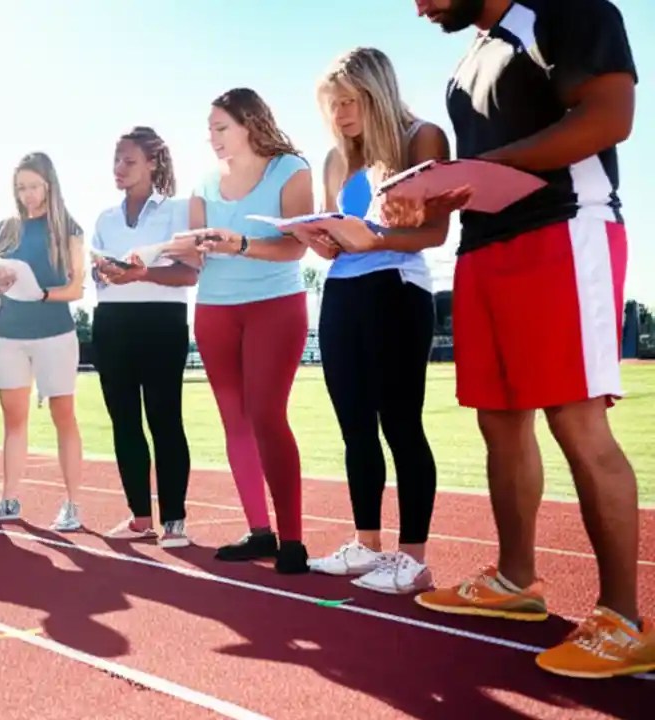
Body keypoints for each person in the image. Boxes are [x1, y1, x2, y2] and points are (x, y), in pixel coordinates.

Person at [378, 0, 649, 678]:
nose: (418, 5)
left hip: (565, 229)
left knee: (577, 422)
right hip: (484, 251)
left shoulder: (568, 9)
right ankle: (515, 581)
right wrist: (431, 194)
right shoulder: (466, 62)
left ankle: (623, 618)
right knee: (500, 422)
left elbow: (610, 117)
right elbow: (481, 173)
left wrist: (477, 170)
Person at [292, 48, 450, 594]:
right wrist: (321, 240)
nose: (339, 115)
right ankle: (367, 545)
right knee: (354, 425)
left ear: (377, 91)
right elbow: (335, 243)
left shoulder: (421, 139)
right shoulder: (336, 160)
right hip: (341, 294)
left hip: (397, 288)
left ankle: (414, 558)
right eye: (331, 105)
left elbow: (434, 234)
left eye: (349, 102)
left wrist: (375, 237)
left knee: (401, 423)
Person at [162, 89, 313, 574]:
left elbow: (297, 248)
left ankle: (293, 539)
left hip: (275, 305)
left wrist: (242, 243)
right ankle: (260, 531)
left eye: (220, 127)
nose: (212, 138)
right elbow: (195, 257)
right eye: (208, 129)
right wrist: (153, 258)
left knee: (268, 414)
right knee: (236, 421)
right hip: (215, 311)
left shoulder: (291, 169)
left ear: (250, 123)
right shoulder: (203, 183)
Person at [89, 127, 197, 548]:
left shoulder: (178, 211)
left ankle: (174, 519)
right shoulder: (105, 219)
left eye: (128, 160)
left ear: (153, 163)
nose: (119, 168)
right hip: (111, 322)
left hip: (162, 321)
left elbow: (189, 272)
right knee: (125, 423)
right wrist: (103, 271)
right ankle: (139, 516)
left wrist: (142, 272)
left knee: (164, 419)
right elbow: (96, 271)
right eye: (116, 160)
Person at [0, 152, 87, 532]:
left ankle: (72, 503)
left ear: (49, 186)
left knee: (63, 417)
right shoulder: (4, 230)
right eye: (21, 187)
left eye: (34, 186)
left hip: (55, 332)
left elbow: (74, 289)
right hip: (9, 335)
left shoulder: (69, 230)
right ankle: (8, 499)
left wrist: (40, 294)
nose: (27, 194)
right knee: (13, 422)